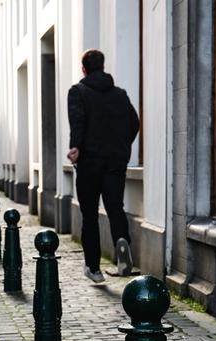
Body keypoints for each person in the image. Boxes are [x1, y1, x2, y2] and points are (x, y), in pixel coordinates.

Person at [67, 48, 140, 282]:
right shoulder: (120, 94)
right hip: (115, 162)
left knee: (89, 215)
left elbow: (78, 121)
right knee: (114, 207)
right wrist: (121, 147)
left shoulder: (78, 92)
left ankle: (94, 269)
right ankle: (121, 240)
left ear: (84, 69)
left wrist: (76, 147)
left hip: (89, 162)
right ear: (103, 66)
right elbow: (134, 123)